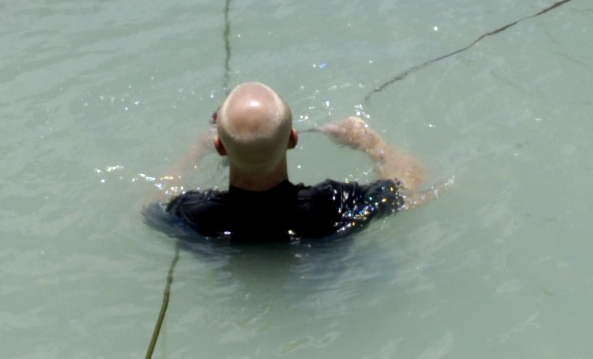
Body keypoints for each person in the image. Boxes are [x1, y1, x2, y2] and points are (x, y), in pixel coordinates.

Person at [156, 81, 426, 245]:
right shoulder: (331, 205)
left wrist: (194, 152)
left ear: (220, 147)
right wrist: (370, 142)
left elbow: (152, 205)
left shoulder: (196, 214)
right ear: (293, 139)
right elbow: (412, 187)